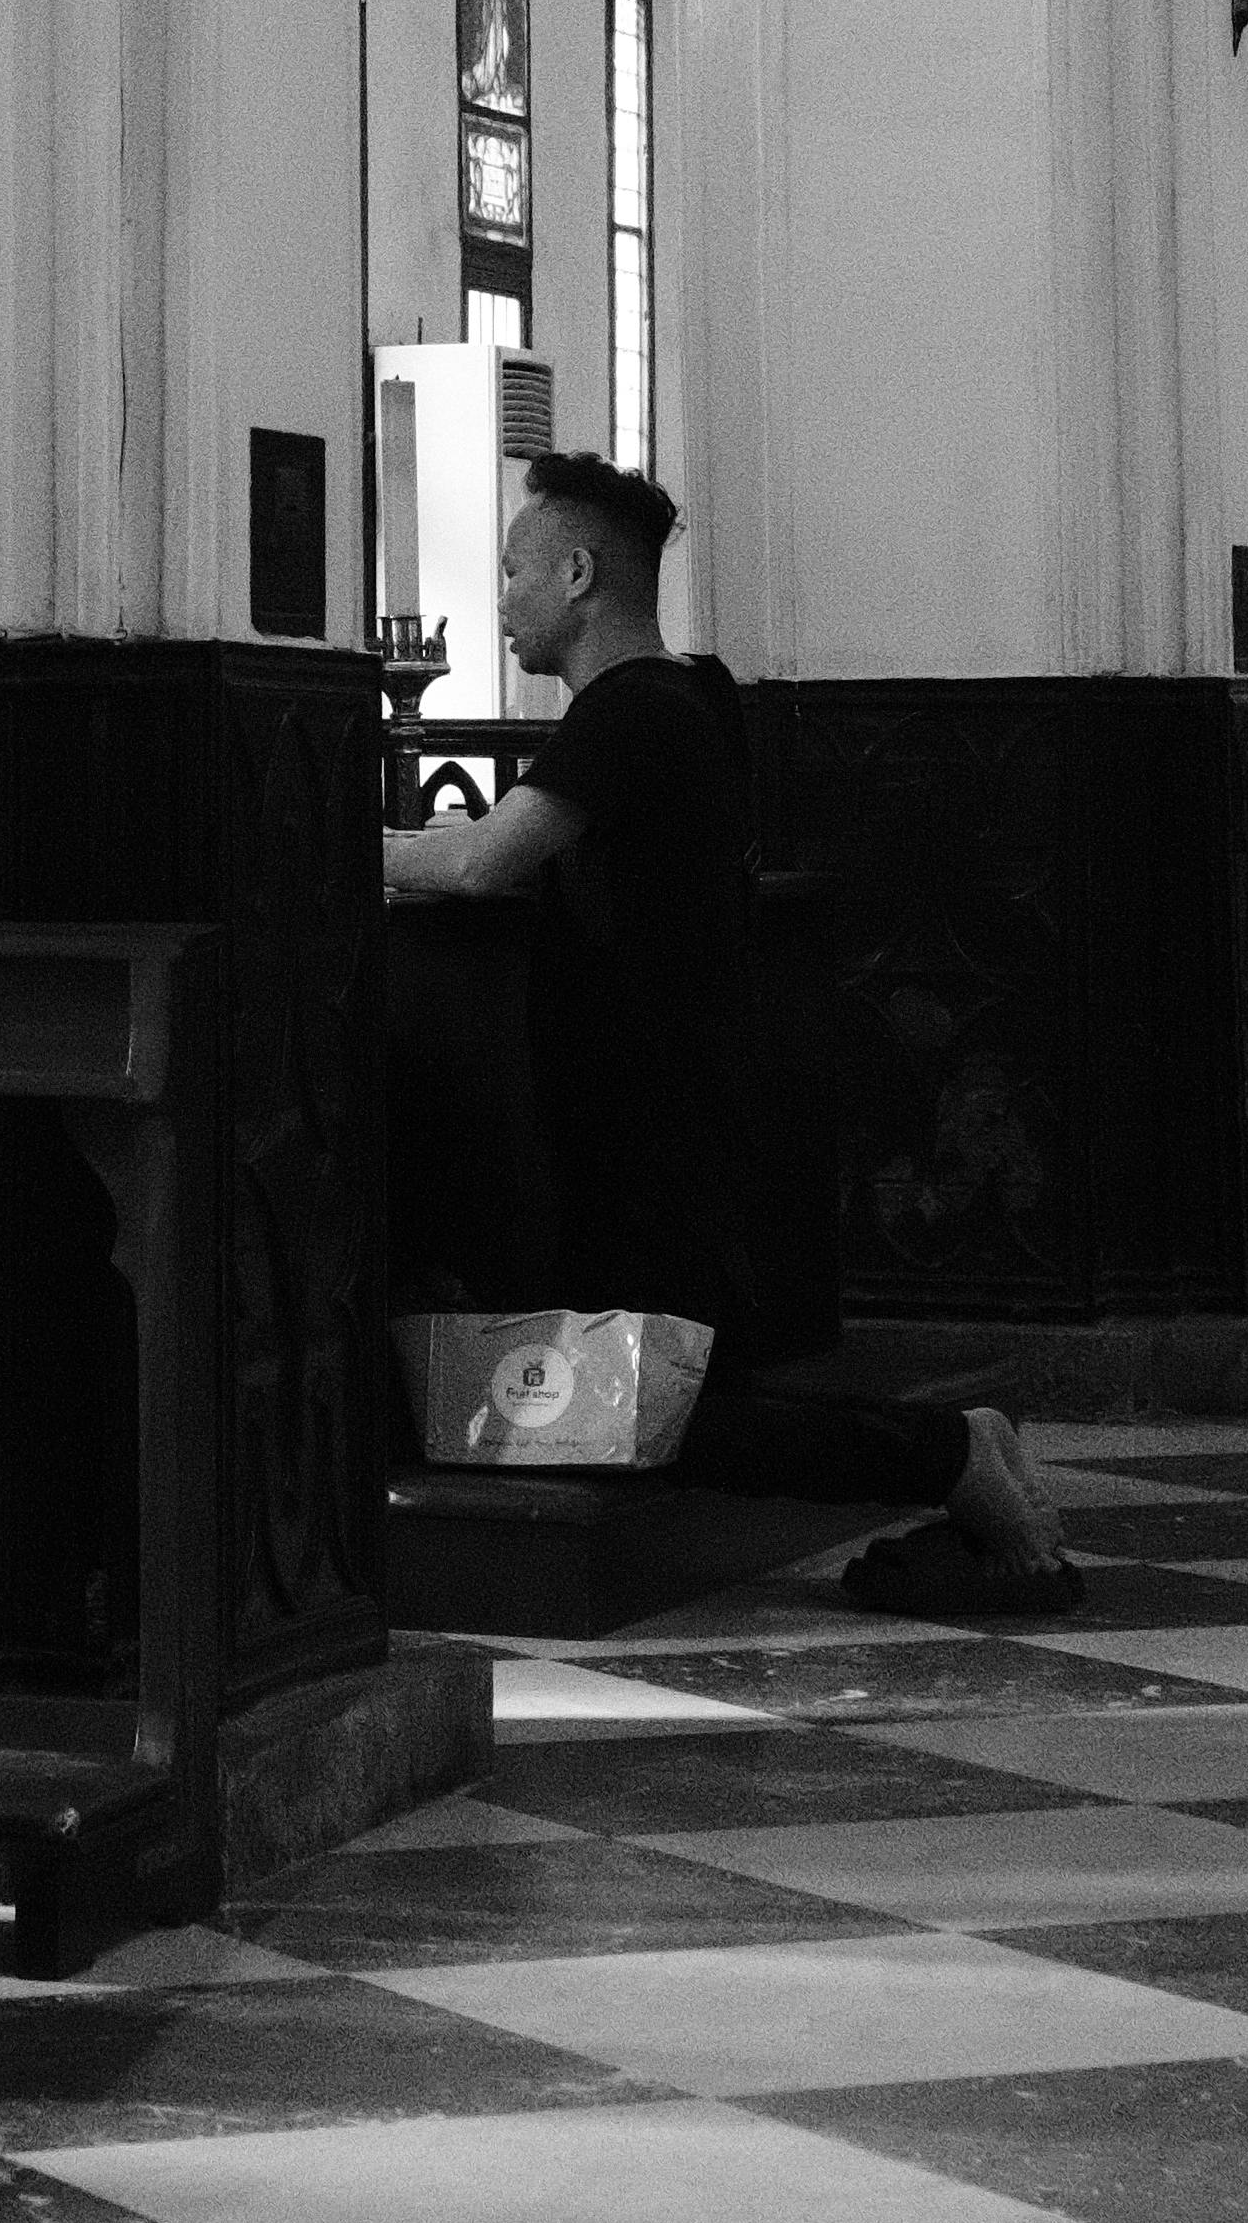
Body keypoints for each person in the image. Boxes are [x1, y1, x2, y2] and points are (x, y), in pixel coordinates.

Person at [384, 450, 1079, 1614]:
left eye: (512, 571)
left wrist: (345, 848)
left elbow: (482, 859)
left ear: (575, 574)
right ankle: (955, 1444)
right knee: (644, 1404)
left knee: (638, 1423)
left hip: (642, 1119)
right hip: (677, 1104)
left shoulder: (631, 710)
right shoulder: (687, 694)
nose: (499, 597)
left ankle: (947, 1456)